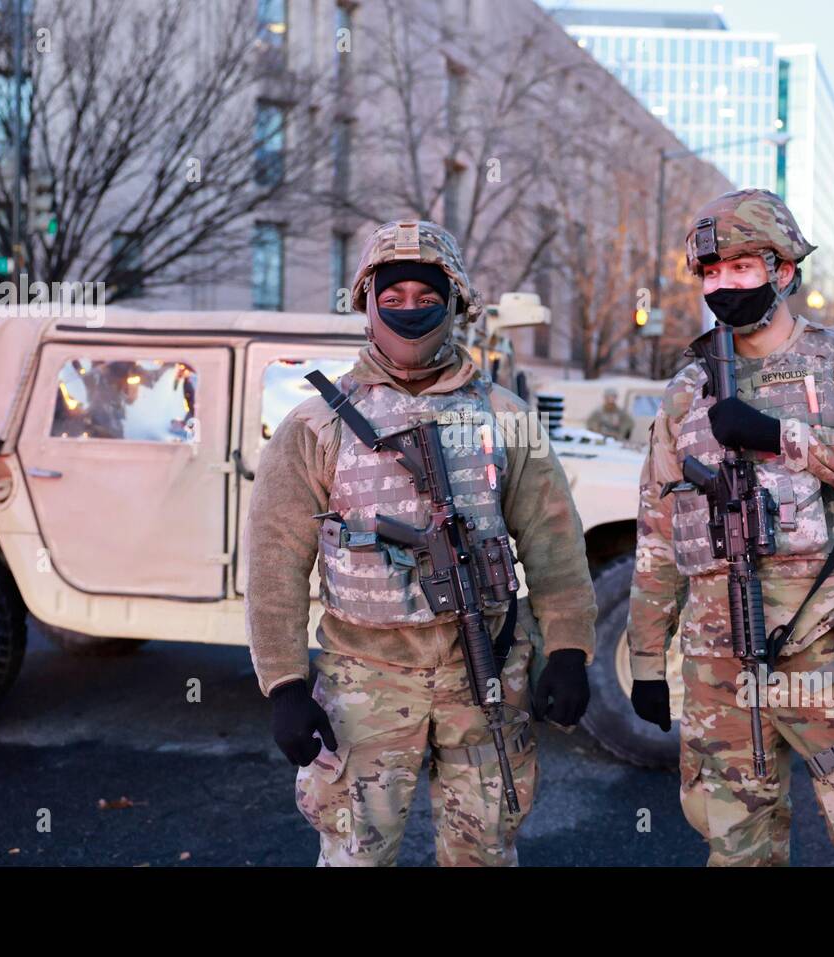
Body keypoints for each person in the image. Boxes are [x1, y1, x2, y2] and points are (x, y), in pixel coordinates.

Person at [245, 220, 596, 866]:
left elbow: (553, 541)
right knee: (355, 854)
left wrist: (570, 649)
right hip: (364, 684)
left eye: (427, 295)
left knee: (483, 851)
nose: (410, 308)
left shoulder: (503, 415)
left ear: (456, 303)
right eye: (394, 294)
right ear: (367, 303)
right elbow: (274, 561)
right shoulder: (315, 423)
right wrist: (284, 684)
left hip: (484, 676)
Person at [627, 188, 834, 866]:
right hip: (718, 668)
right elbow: (658, 533)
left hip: (829, 656)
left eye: (741, 268)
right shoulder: (687, 391)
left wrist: (784, 436)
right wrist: (650, 662)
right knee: (736, 847)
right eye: (711, 273)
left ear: (784, 271)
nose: (724, 285)